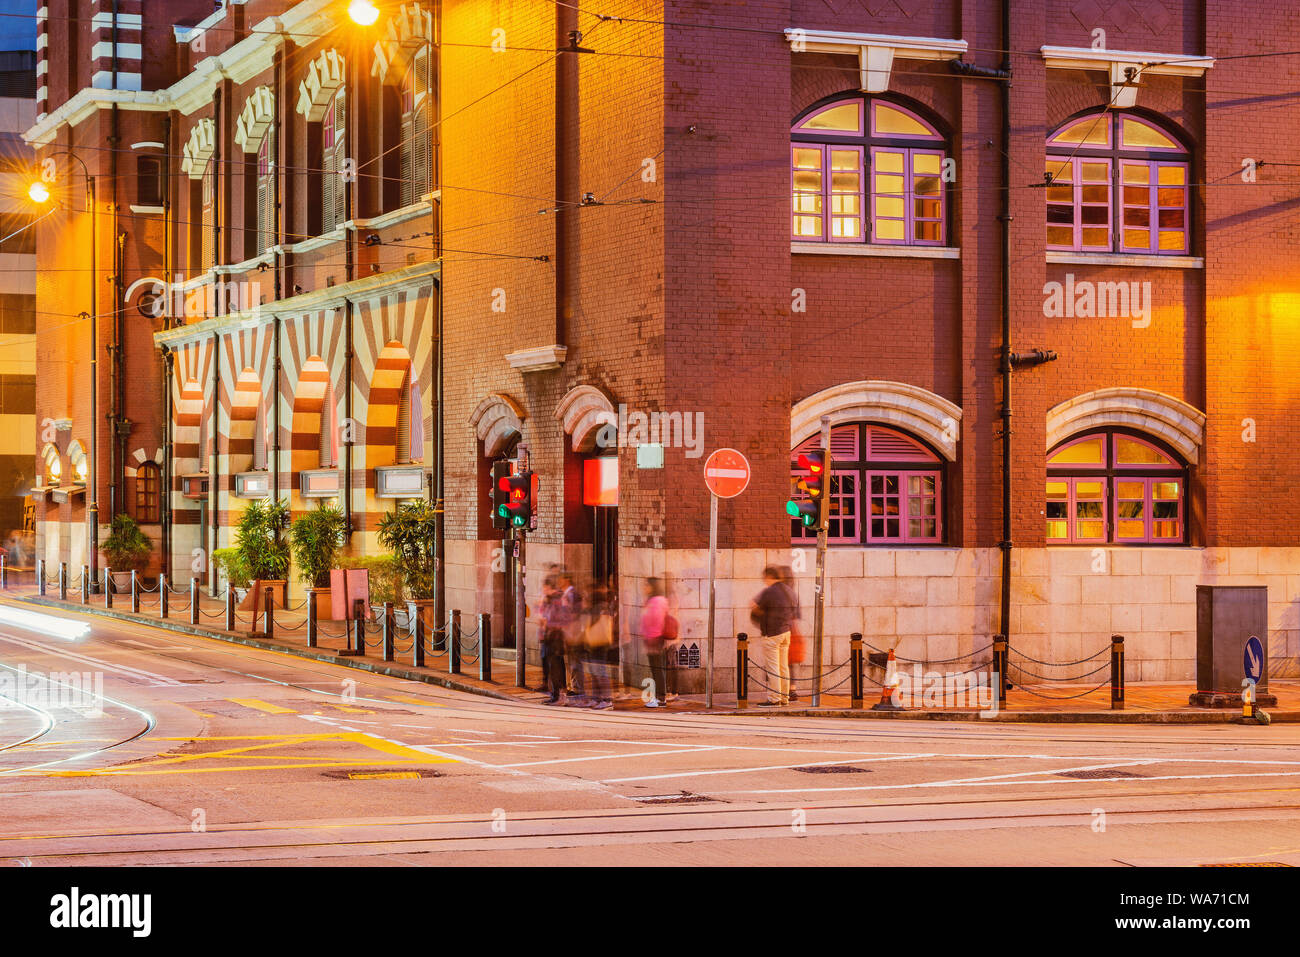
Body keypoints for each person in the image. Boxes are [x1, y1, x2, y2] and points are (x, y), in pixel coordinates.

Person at [750, 566, 795, 706]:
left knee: (773, 667)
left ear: (769, 576)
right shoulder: (789, 591)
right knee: (783, 667)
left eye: (765, 578)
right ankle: (784, 698)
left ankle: (774, 698)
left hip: (772, 633)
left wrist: (757, 611)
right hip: (786, 632)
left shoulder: (769, 592)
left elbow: (756, 607)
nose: (765, 581)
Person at [639, 577, 670, 707]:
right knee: (657, 669)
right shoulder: (657, 600)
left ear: (653, 586)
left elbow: (656, 621)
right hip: (653, 638)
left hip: (654, 639)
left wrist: (651, 638)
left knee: (657, 669)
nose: (645, 587)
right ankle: (659, 697)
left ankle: (661, 698)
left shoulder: (656, 601)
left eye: (647, 585)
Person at [778, 565, 804, 702]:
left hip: (782, 629)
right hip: (792, 629)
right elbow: (797, 614)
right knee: (789, 662)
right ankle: (791, 689)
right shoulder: (793, 592)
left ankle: (783, 689)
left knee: (781, 660)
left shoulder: (781, 592)